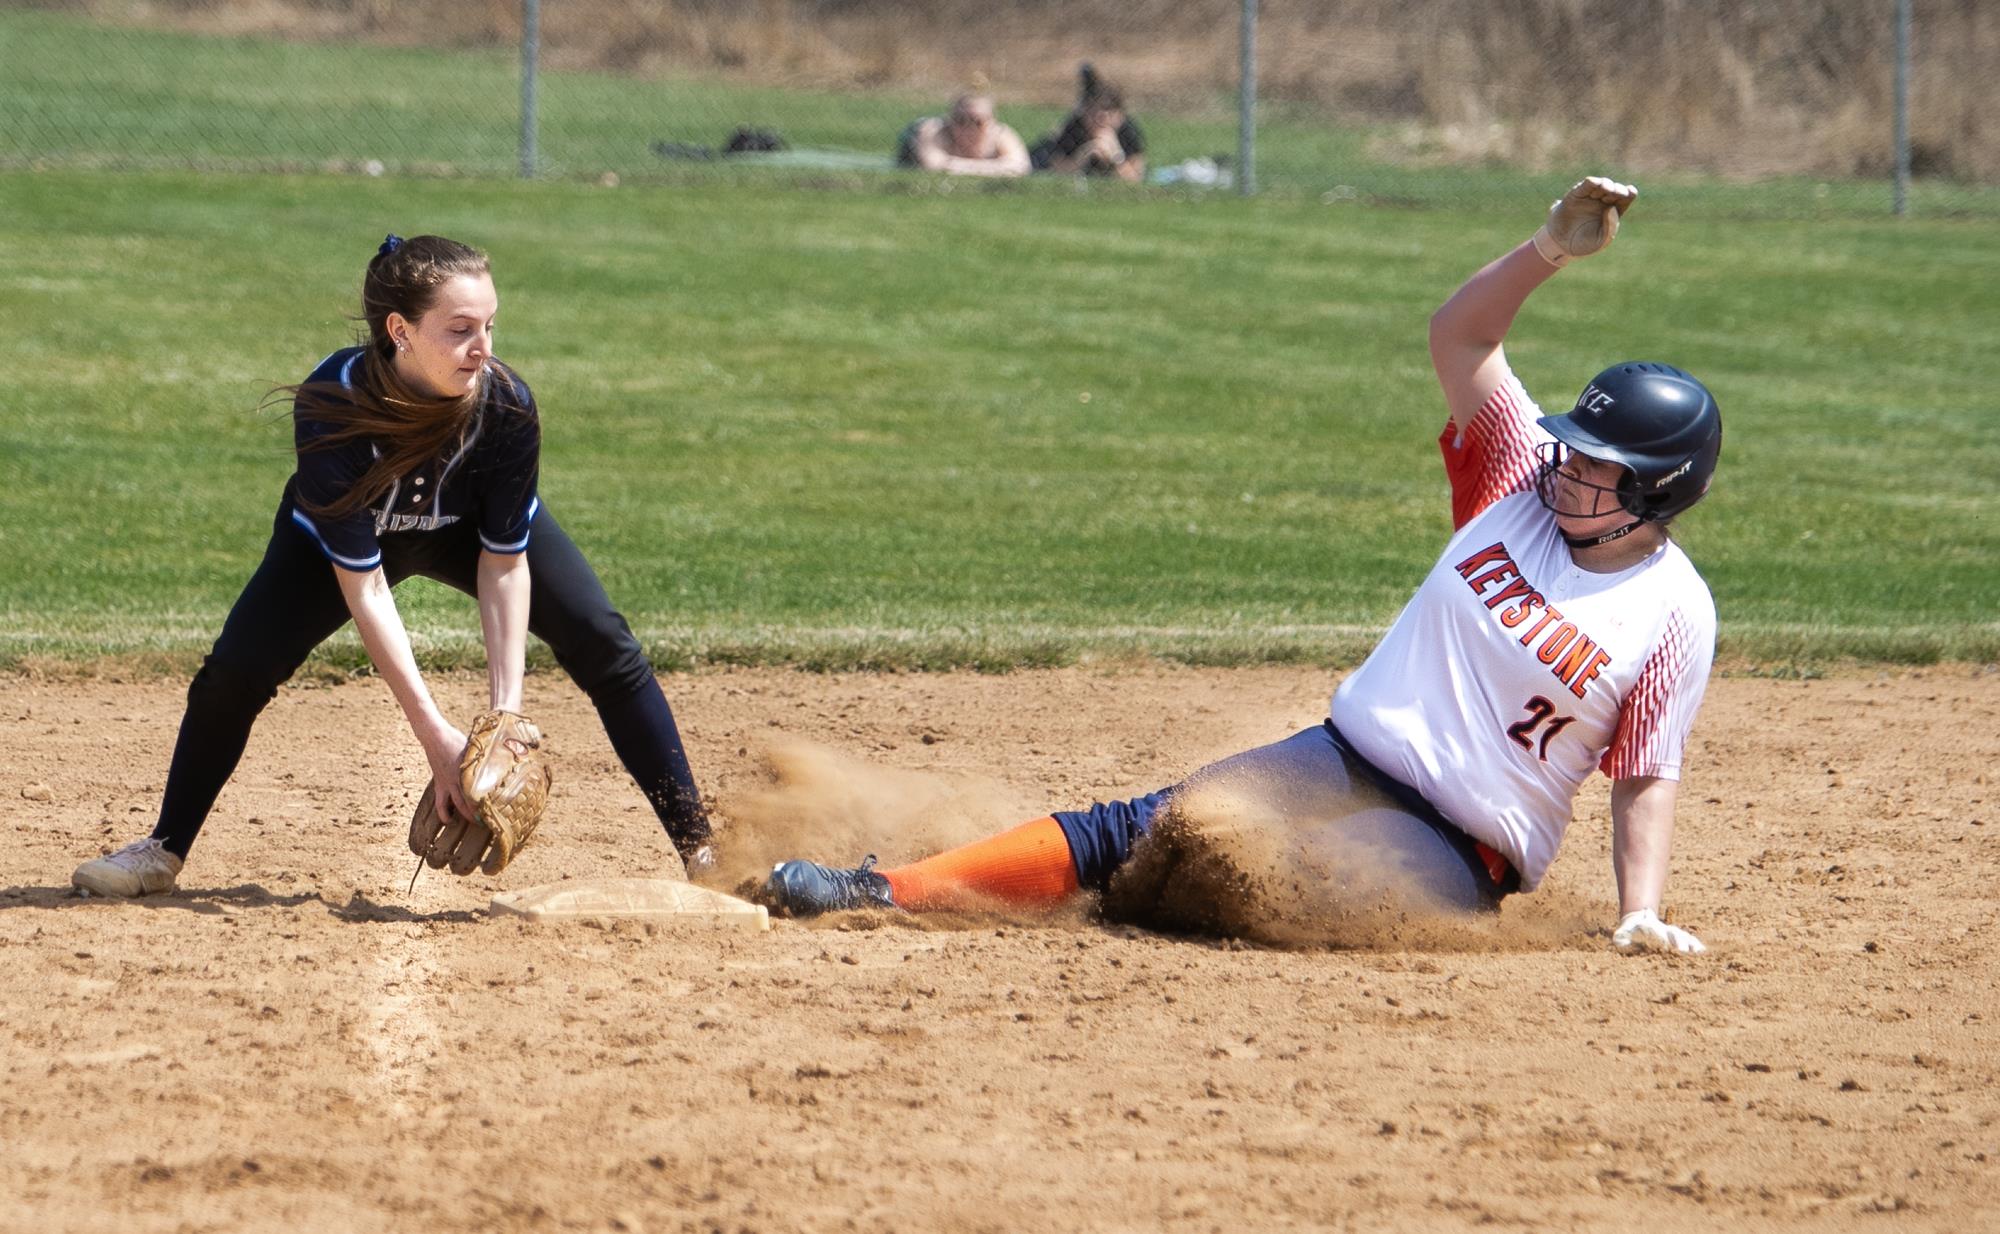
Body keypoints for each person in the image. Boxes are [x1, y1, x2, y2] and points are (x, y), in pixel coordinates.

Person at [765, 177, 1723, 956]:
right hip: (1344, 754)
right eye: (1574, 448)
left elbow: (1646, 771)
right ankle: (882, 890)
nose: (1570, 468)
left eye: (1601, 466)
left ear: (1656, 491)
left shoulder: (1672, 612)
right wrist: (1549, 248)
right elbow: (1462, 337)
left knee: (1286, 879)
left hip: (1457, 848)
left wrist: (1639, 907)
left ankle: (1138, 906)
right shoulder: (1517, 479)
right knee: (1153, 827)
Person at [71, 234, 713, 897]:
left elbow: (503, 565)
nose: (483, 347)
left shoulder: (506, 406)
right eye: (460, 329)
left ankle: (703, 853)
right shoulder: (334, 401)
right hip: (334, 543)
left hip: (462, 533)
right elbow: (367, 584)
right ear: (399, 330)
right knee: (234, 672)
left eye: (490, 325)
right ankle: (163, 849)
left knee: (605, 643)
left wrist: (505, 719)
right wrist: (436, 738)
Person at [1029, 64, 1145, 183]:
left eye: (1109, 110)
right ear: (1084, 112)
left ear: (1120, 115)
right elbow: (1057, 169)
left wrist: (1115, 156)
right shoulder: (1074, 128)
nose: (1101, 117)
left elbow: (1135, 177)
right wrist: (1085, 154)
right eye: (1094, 111)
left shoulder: (1127, 131)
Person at [895, 93, 1031, 178]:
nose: (968, 127)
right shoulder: (934, 131)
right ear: (949, 120)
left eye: (978, 122)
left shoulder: (1001, 134)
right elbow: (933, 165)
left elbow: (1020, 166)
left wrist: (957, 165)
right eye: (961, 120)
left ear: (991, 122)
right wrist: (995, 167)